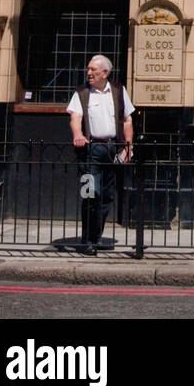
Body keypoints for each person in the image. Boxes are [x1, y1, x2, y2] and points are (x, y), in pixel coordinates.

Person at [67, 55, 135, 254]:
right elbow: (75, 117)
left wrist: (129, 147)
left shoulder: (119, 91)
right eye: (88, 69)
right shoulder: (81, 93)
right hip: (90, 151)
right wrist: (78, 134)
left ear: (105, 73)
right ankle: (87, 240)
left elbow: (127, 120)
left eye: (93, 70)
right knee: (90, 194)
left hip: (113, 150)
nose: (89, 73)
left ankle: (96, 237)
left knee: (107, 196)